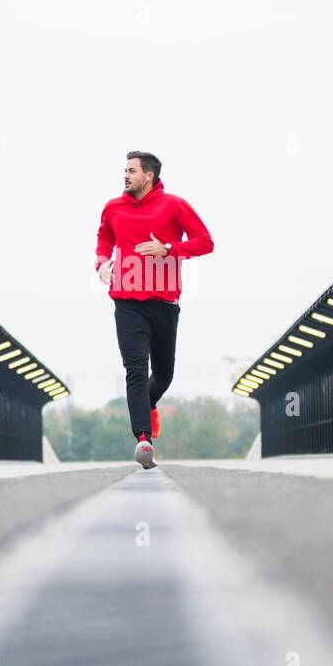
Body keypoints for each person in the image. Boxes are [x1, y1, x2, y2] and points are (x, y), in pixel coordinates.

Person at [94, 151, 214, 468]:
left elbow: (205, 241)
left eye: (131, 171)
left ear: (149, 175)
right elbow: (104, 237)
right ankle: (144, 440)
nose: (125, 175)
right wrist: (101, 262)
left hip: (164, 303)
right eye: (124, 170)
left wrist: (169, 248)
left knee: (163, 375)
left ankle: (148, 407)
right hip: (127, 301)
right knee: (135, 371)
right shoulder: (113, 207)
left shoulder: (174, 205)